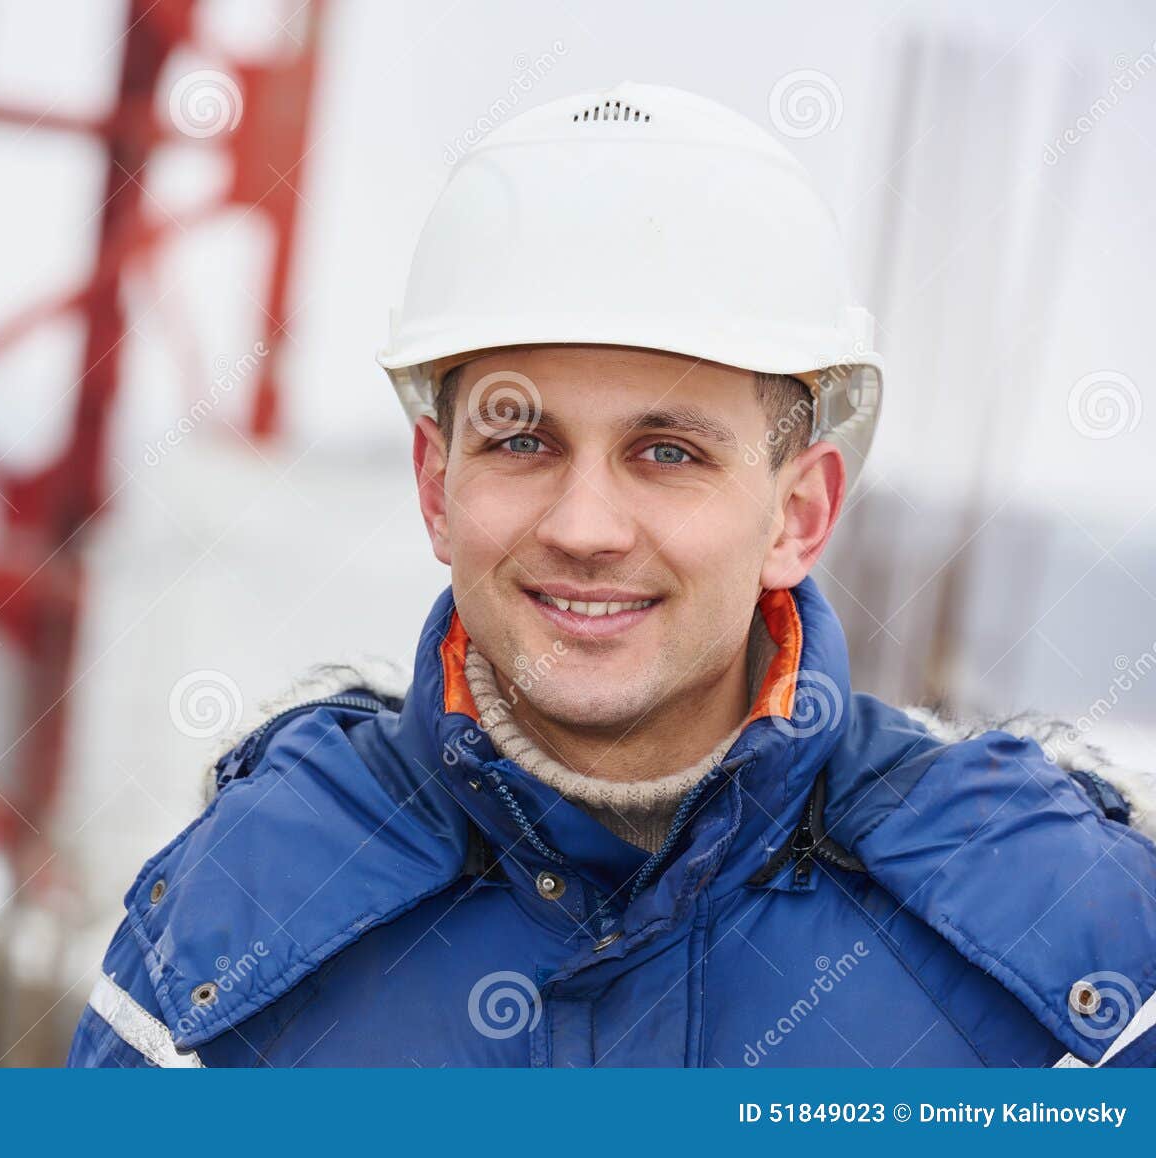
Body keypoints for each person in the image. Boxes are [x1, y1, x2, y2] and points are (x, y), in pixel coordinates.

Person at [67, 80, 1156, 1068]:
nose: (585, 527)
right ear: (436, 486)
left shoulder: (1072, 957)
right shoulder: (227, 931)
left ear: (799, 512)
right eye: (521, 440)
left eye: (668, 453)